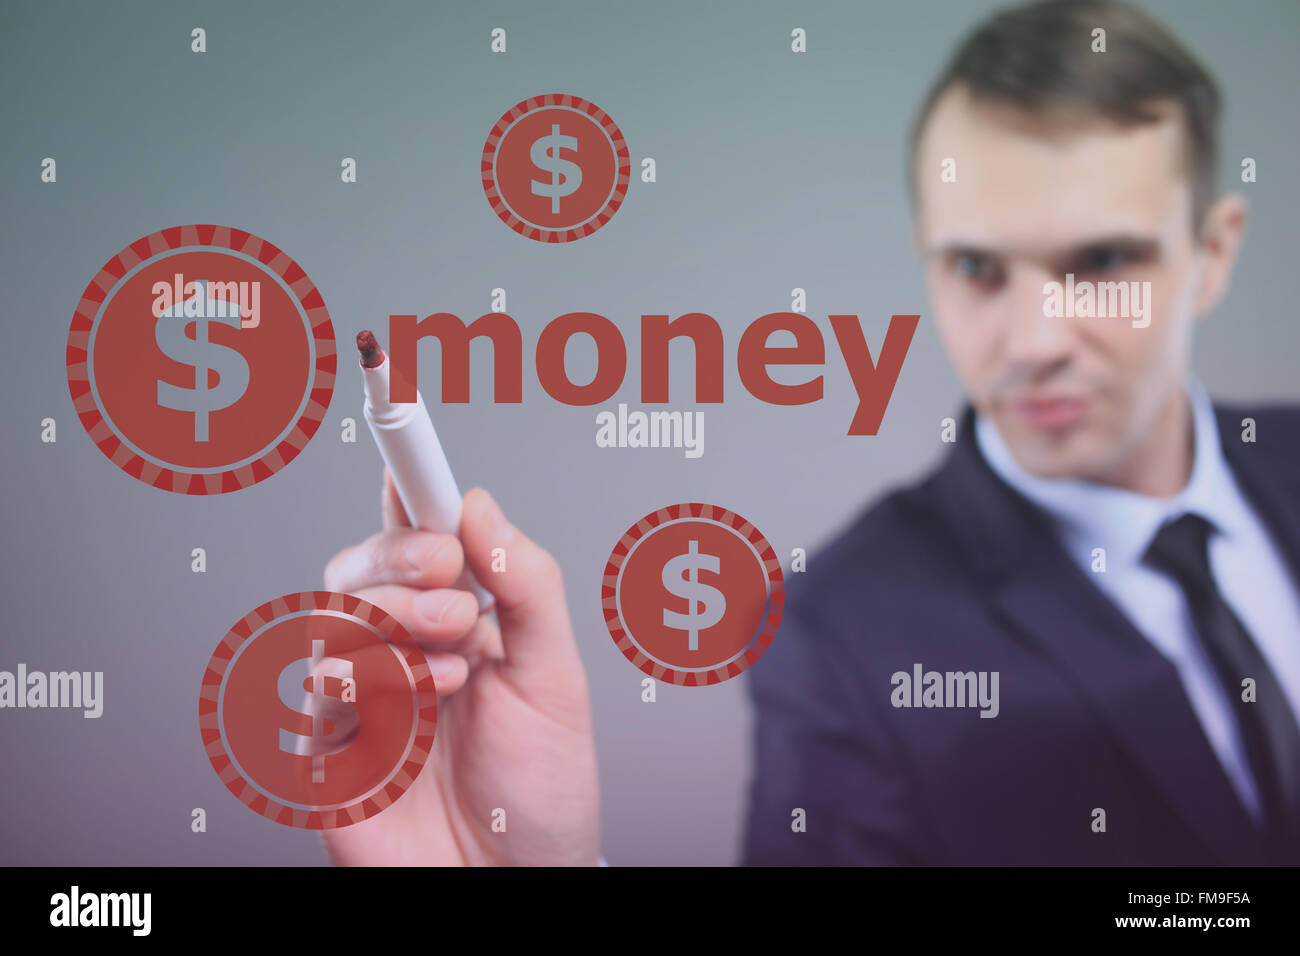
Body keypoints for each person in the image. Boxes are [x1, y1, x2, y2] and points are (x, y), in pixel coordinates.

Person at [319, 0, 1300, 866]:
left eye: (1097, 261)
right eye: (975, 268)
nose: (1035, 340)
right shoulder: (843, 639)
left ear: (1212, 253)